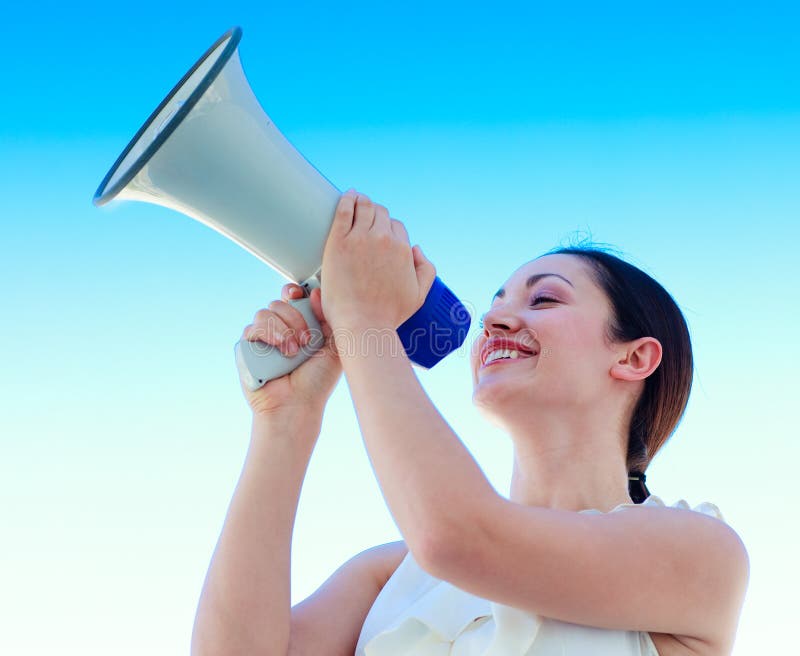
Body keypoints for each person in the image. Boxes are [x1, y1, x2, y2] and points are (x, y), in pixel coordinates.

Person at [191, 190, 749, 656]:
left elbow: (460, 538)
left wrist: (363, 321)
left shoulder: (702, 553)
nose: (496, 319)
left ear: (633, 358)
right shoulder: (389, 575)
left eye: (546, 299)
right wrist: (286, 419)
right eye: (495, 305)